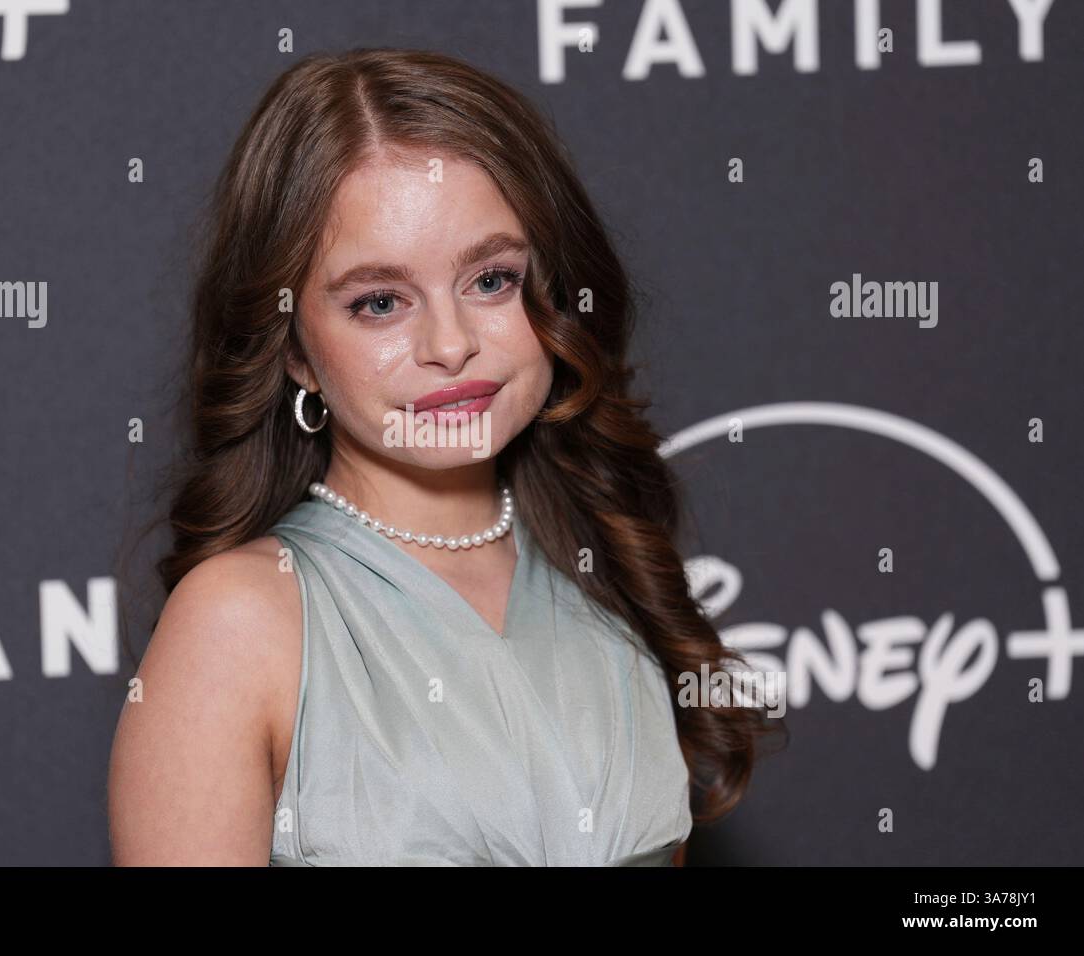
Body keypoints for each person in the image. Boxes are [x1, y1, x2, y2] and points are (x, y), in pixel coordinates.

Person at [107, 47, 782, 866]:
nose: (451, 344)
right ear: (295, 352)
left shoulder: (603, 570)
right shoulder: (239, 622)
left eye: (492, 280)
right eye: (380, 302)